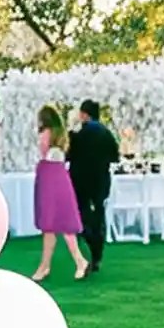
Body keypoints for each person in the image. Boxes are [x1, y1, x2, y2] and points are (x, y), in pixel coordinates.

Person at [32, 106, 91, 282]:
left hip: (49, 178)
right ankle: (49, 265)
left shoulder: (47, 134)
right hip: (59, 177)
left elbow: (43, 151)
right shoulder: (61, 135)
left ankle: (68, 263)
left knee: (51, 224)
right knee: (58, 225)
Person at [67, 99, 120, 273]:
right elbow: (115, 156)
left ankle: (89, 241)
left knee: (82, 214)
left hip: (81, 180)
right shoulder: (106, 133)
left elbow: (69, 154)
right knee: (98, 214)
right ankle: (97, 252)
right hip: (101, 180)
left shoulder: (79, 133)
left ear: (84, 114)